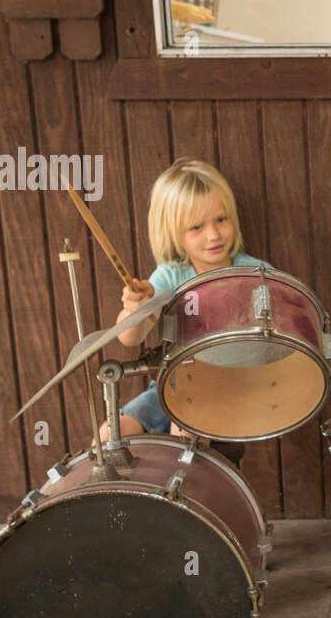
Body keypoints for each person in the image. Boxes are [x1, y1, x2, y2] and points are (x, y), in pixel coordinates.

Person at [100, 158, 265, 442]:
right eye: (196, 227)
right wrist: (136, 308)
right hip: (171, 388)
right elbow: (129, 338)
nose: (214, 235)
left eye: (221, 220)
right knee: (109, 435)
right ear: (174, 234)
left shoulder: (256, 275)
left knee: (185, 432)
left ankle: (180, 486)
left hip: (231, 390)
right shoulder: (169, 277)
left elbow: (290, 327)